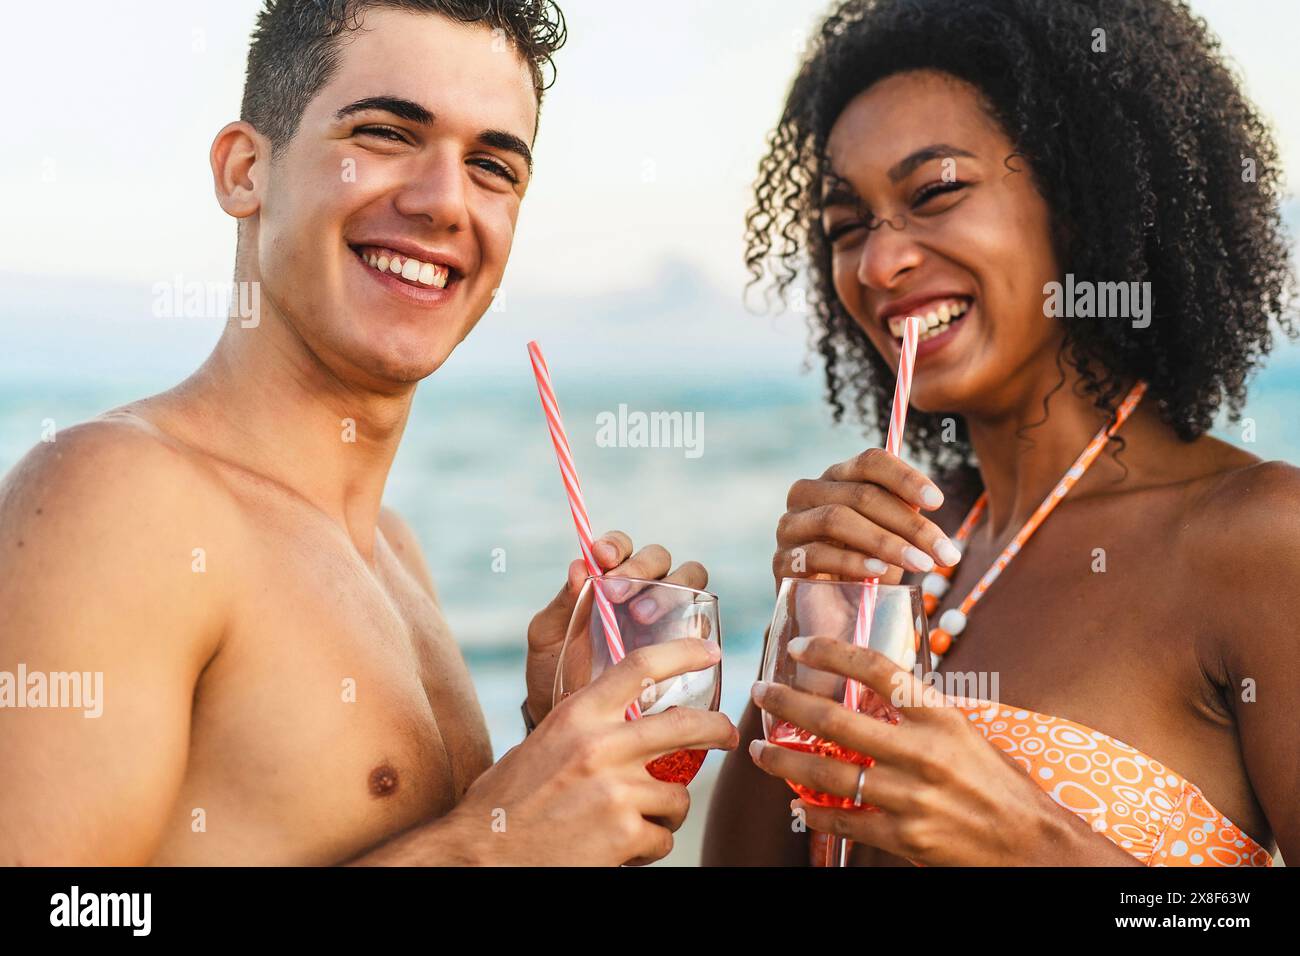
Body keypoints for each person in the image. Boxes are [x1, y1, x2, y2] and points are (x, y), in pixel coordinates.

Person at [0, 0, 736, 866]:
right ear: (245, 171)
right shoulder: (117, 495)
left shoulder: (395, 553)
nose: (443, 203)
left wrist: (555, 750)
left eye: (493, 165)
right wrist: (486, 850)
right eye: (386, 133)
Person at [705, 0, 1298, 867]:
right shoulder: (898, 563)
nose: (878, 263)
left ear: (1084, 194)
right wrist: (797, 642)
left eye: (935, 192)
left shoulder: (1259, 538)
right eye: (846, 226)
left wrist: (1033, 845)